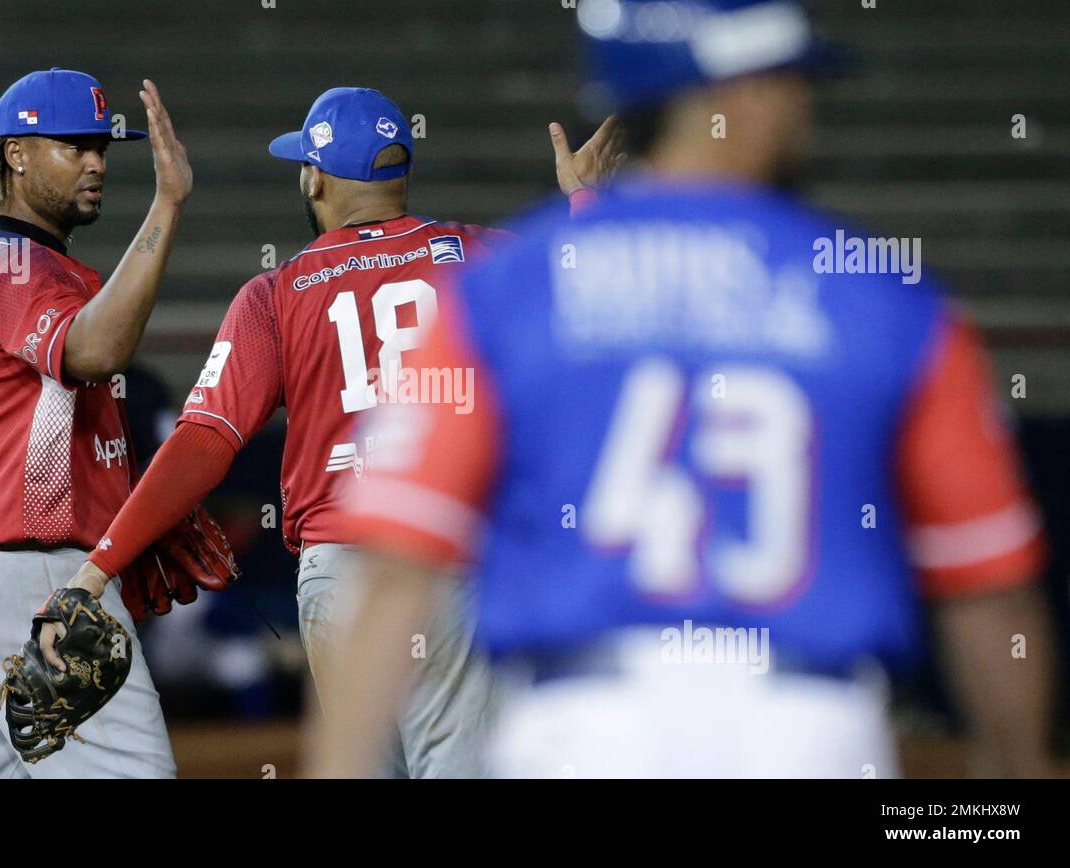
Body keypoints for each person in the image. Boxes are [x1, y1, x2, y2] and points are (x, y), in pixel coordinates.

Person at [309, 0, 1054, 778]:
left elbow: (395, 569)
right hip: (805, 731)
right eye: (792, 81)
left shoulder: (504, 293)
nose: (806, 109)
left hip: (578, 731)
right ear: (743, 92)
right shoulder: (882, 297)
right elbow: (990, 588)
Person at [47, 86, 621, 778]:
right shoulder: (480, 256)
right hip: (453, 560)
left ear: (314, 176)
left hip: (342, 571)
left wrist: (98, 565)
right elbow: (596, 318)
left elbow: (203, 441)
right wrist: (586, 202)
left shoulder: (277, 293)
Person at [0, 68, 193, 779]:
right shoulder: (14, 262)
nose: (96, 162)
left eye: (101, 147)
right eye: (73, 146)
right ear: (16, 153)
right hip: (25, 571)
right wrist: (167, 204)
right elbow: (94, 352)